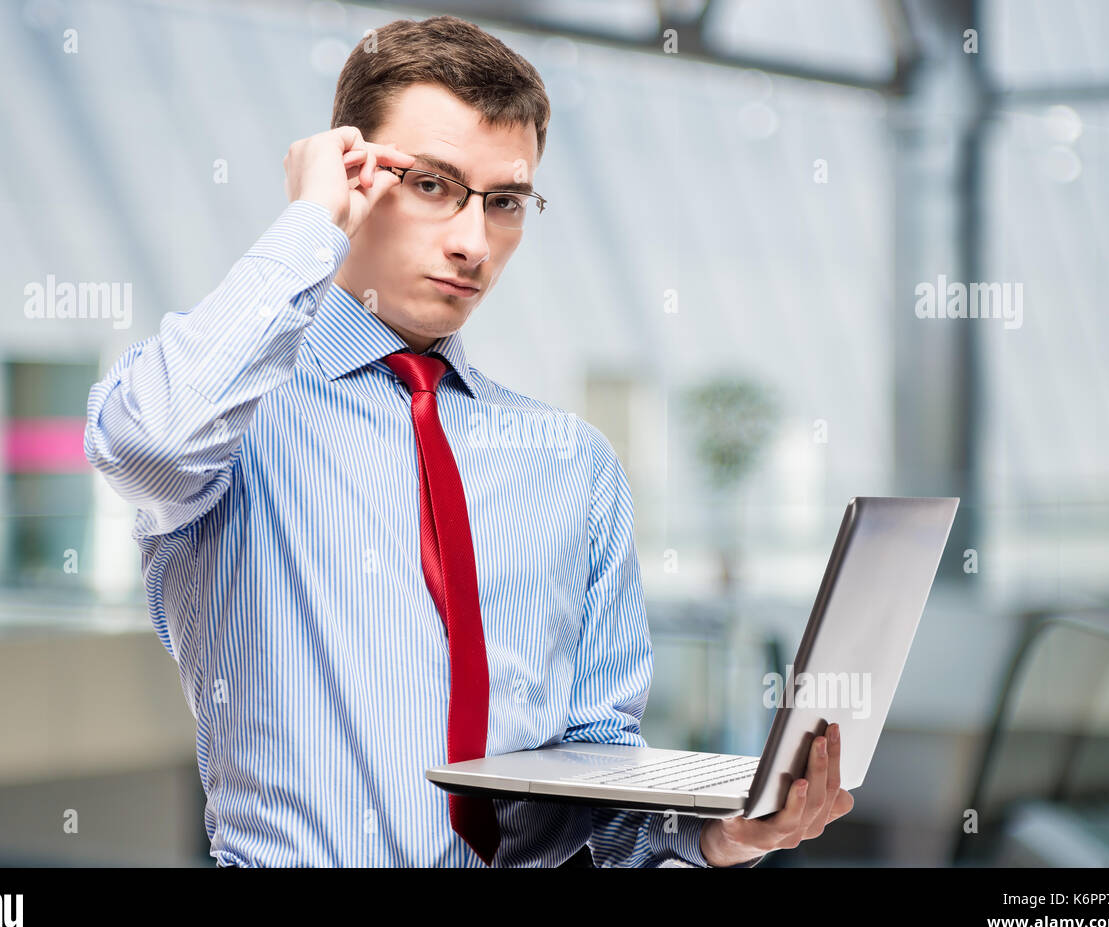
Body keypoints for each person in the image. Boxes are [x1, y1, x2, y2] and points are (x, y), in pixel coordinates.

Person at [84, 14, 851, 867]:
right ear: (355, 173)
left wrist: (712, 832)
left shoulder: (572, 463)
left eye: (505, 202)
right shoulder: (240, 423)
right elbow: (145, 444)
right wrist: (308, 222)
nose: (472, 243)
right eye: (433, 185)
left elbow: (595, 790)